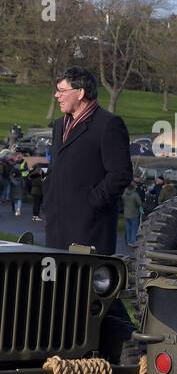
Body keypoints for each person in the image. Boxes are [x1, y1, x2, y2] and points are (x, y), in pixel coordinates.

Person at [45, 66, 133, 255]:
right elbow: (56, 166)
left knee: (83, 283)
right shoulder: (59, 125)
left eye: (62, 91)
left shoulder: (108, 124)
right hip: (56, 225)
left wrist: (91, 203)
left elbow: (120, 174)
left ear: (80, 92)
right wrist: (49, 197)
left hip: (90, 228)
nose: (56, 95)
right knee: (56, 283)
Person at [122, 177, 144, 247]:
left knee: (128, 228)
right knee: (134, 229)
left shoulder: (124, 194)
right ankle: (133, 241)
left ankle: (128, 241)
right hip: (134, 213)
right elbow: (139, 203)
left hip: (126, 213)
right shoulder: (135, 195)